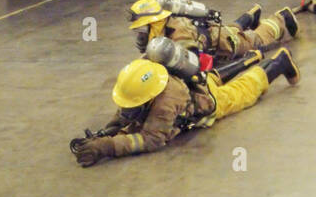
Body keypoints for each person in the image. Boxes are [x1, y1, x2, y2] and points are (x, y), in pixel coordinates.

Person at [70, 45, 299, 167]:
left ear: (151, 97)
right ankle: (252, 57)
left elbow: (151, 139)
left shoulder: (165, 103)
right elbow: (127, 109)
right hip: (196, 83)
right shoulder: (149, 76)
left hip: (208, 102)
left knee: (246, 89)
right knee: (213, 77)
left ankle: (279, 62)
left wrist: (107, 147)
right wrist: (110, 129)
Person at [128, 0, 297, 66]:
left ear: (155, 22)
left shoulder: (180, 33)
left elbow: (191, 64)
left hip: (225, 42)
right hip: (214, 33)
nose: (140, 35)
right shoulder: (164, 26)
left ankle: (281, 17)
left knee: (257, 38)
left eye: (143, 28)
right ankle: (251, 15)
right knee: (230, 29)